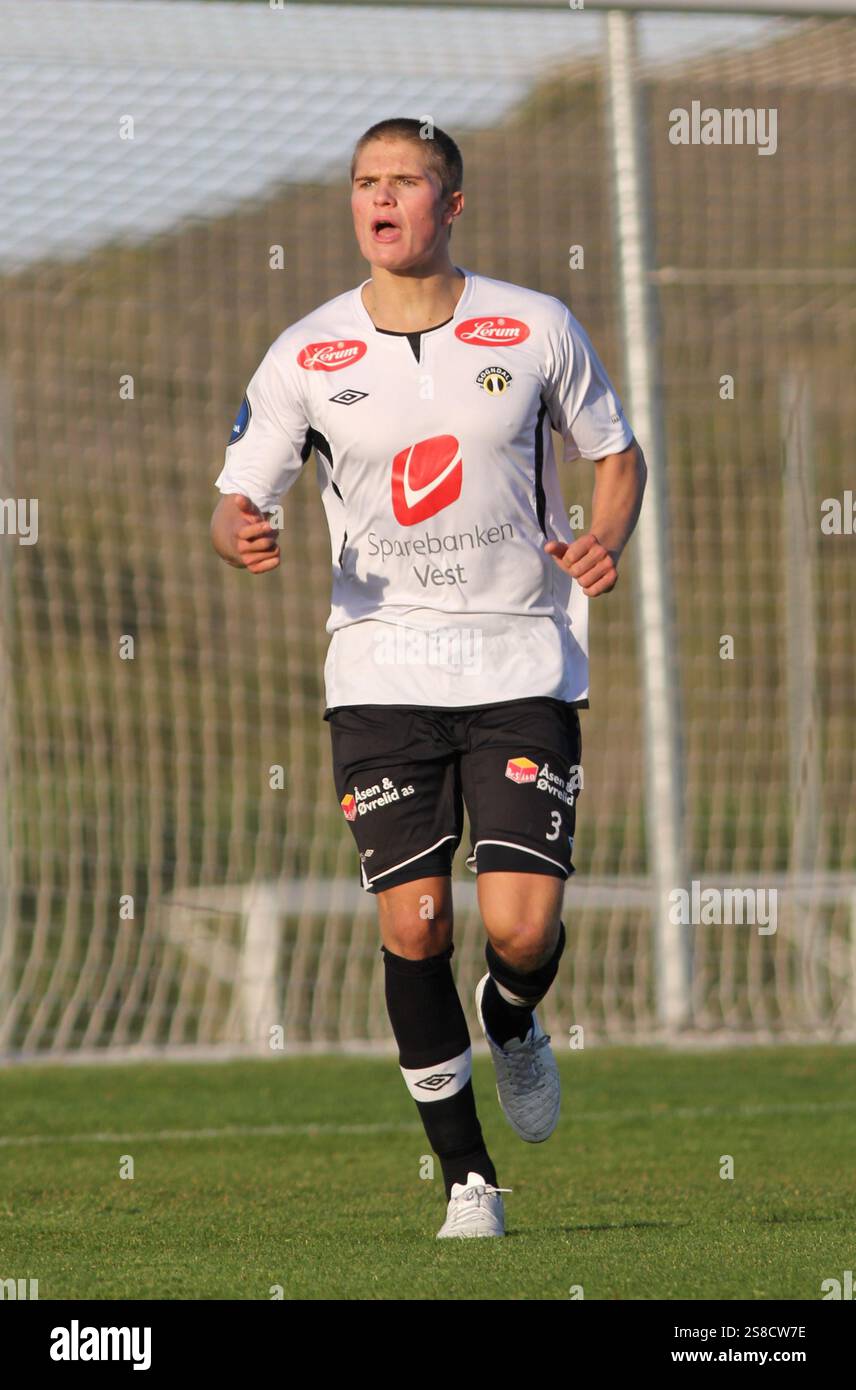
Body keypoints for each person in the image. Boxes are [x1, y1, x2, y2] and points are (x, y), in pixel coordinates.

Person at [210, 117, 646, 1239]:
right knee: (413, 923)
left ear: (451, 203)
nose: (381, 198)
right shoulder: (308, 351)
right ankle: (468, 1179)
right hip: (380, 671)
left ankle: (514, 1019)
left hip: (519, 658)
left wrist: (605, 539)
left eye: (405, 181)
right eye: (365, 182)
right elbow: (236, 492)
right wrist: (241, 529)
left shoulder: (535, 323)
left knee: (517, 930)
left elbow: (616, 451)